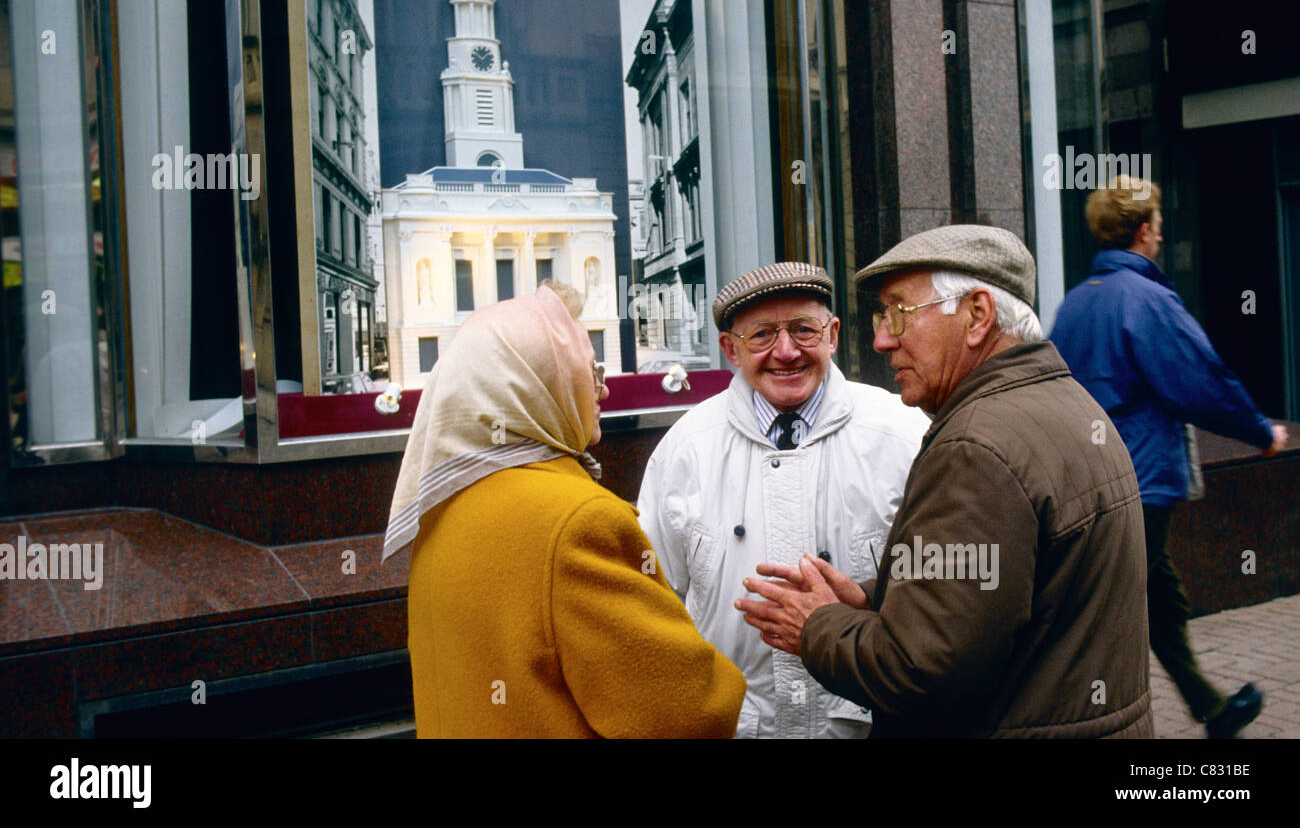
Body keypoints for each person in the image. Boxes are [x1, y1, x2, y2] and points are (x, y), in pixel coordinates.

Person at [736, 226, 1154, 738]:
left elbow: (920, 674)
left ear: (977, 315)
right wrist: (879, 602)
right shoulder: (1064, 403)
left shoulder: (976, 449)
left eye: (898, 313)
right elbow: (1003, 603)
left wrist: (817, 624)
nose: (882, 339)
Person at [382, 282, 745, 737]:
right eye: (586, 370)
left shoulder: (442, 507)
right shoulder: (576, 520)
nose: (603, 391)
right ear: (531, 385)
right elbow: (687, 713)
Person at [636, 262, 929, 737]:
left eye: (803, 330)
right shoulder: (686, 448)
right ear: (730, 349)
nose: (786, 351)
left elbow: (937, 607)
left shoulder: (904, 434)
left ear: (832, 335)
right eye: (762, 335)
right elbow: (652, 605)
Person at [1050, 176, 1288, 739]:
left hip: (1093, 478)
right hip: (1141, 479)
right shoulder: (1147, 300)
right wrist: (1260, 429)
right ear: (1144, 231)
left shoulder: (1077, 304)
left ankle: (1212, 709)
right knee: (1116, 608)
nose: (1160, 233)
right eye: (1155, 223)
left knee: (1160, 594)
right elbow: (1199, 380)